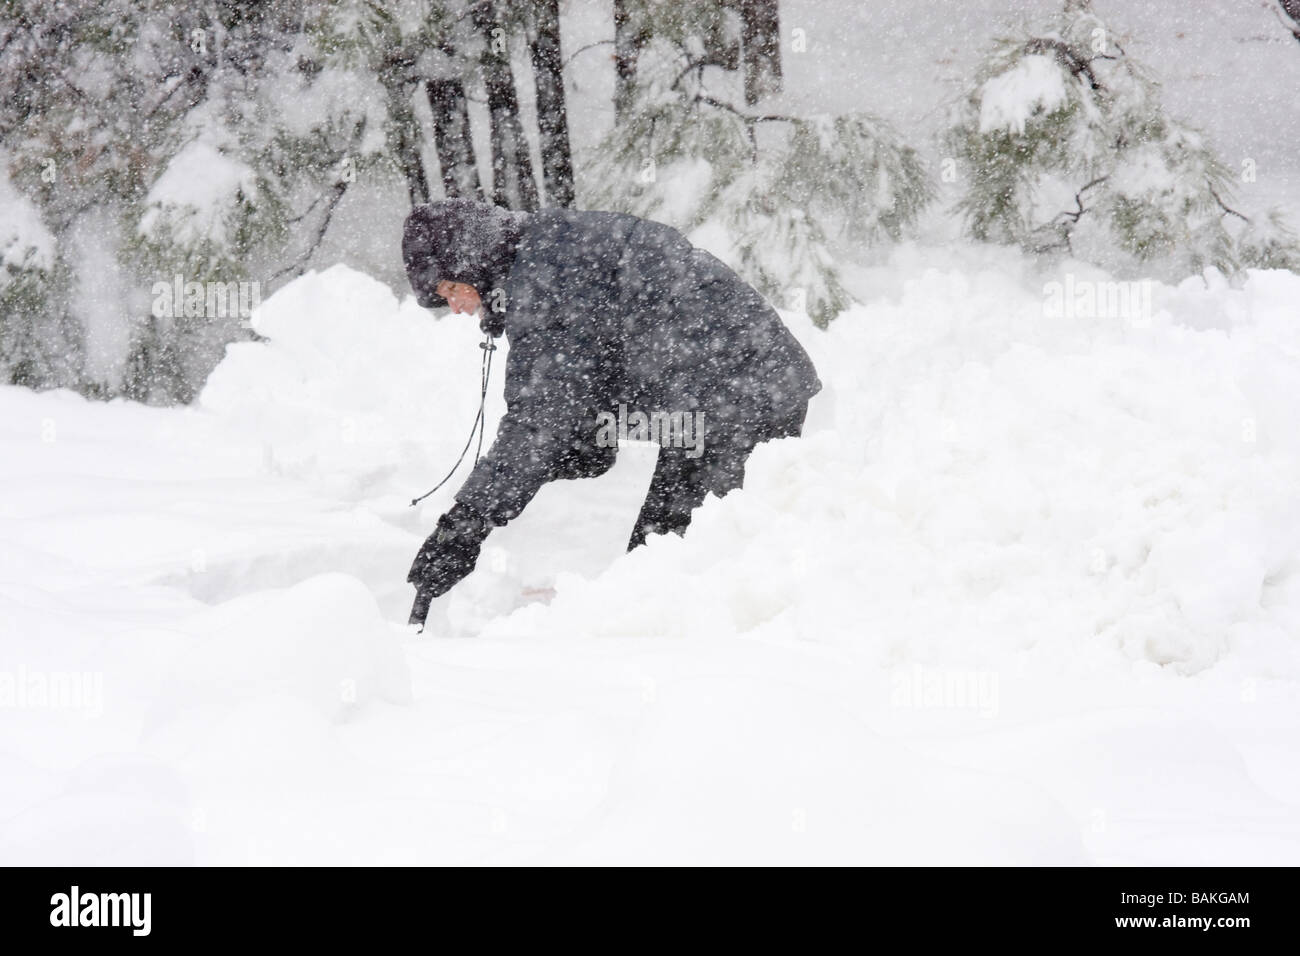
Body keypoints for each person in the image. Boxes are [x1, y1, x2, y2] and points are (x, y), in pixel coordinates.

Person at [402, 198, 822, 628]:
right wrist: (583, 438)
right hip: (726, 396)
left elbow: (539, 421)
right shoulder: (549, 251)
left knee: (663, 586)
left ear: (473, 263)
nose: (454, 307)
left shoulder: (545, 276)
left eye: (451, 290)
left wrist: (467, 522)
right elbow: (583, 379)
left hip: (738, 399)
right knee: (661, 574)